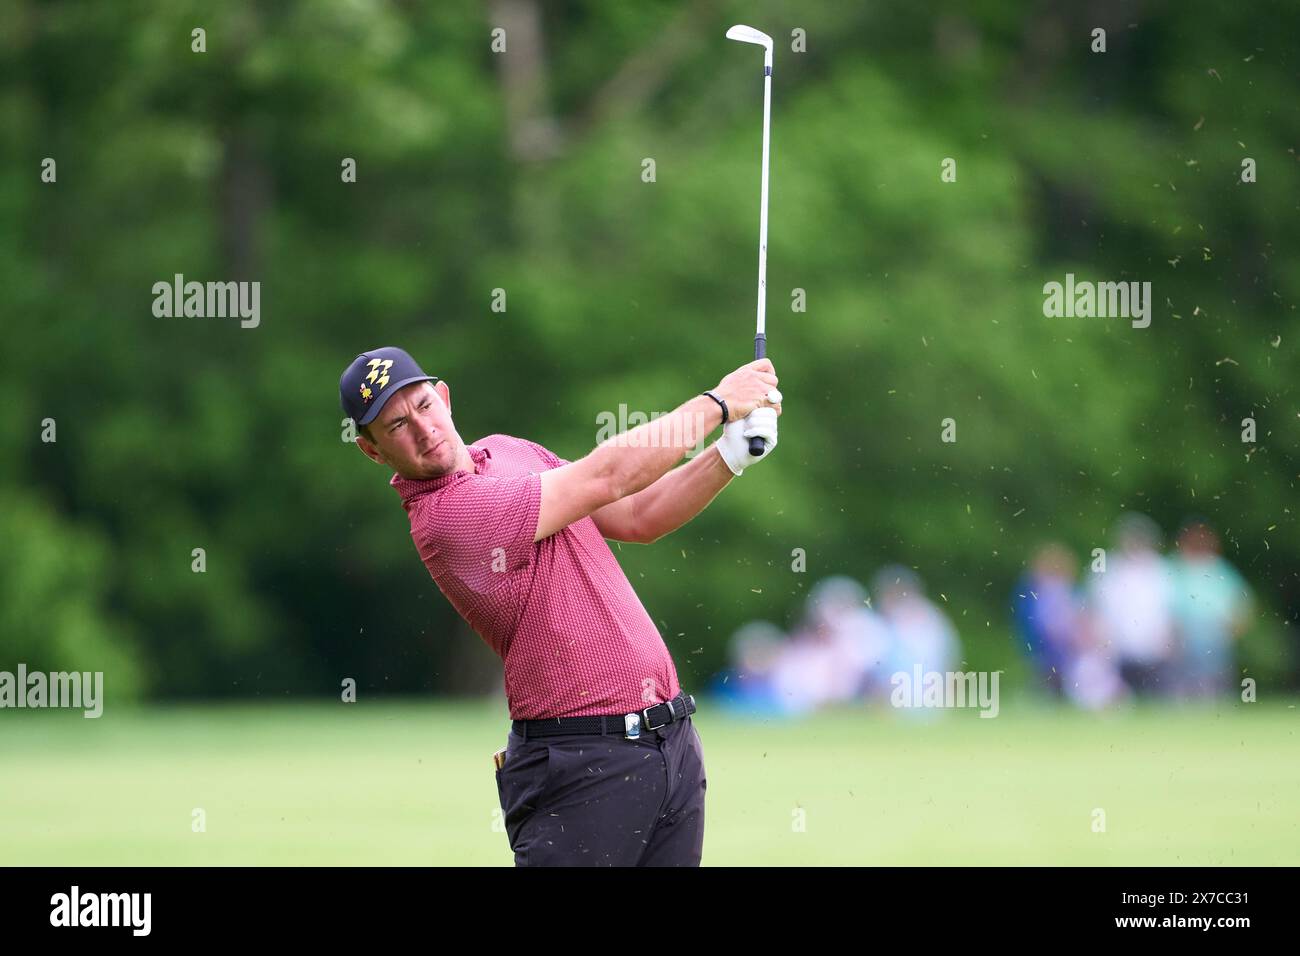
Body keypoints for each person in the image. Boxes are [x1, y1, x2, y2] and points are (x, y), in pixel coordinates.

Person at [339, 346, 782, 866]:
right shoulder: (447, 517)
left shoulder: (509, 451)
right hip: (580, 763)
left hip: (671, 745)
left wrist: (730, 455)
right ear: (372, 450)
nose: (421, 428)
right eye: (395, 426)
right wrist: (718, 403)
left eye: (422, 405)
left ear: (443, 397)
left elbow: (639, 514)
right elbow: (606, 476)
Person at [1088, 513, 1176, 698]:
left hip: (1152, 647)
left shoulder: (1161, 570)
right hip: (1115, 648)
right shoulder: (1107, 568)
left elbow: (1170, 610)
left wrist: (1168, 639)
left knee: (1155, 697)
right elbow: (1095, 608)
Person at [1167, 519, 1253, 699]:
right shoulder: (1174, 567)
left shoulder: (1220, 569)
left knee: (1214, 675)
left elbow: (1241, 601)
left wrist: (1234, 628)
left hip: (1215, 632)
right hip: (1182, 632)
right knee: (1183, 676)